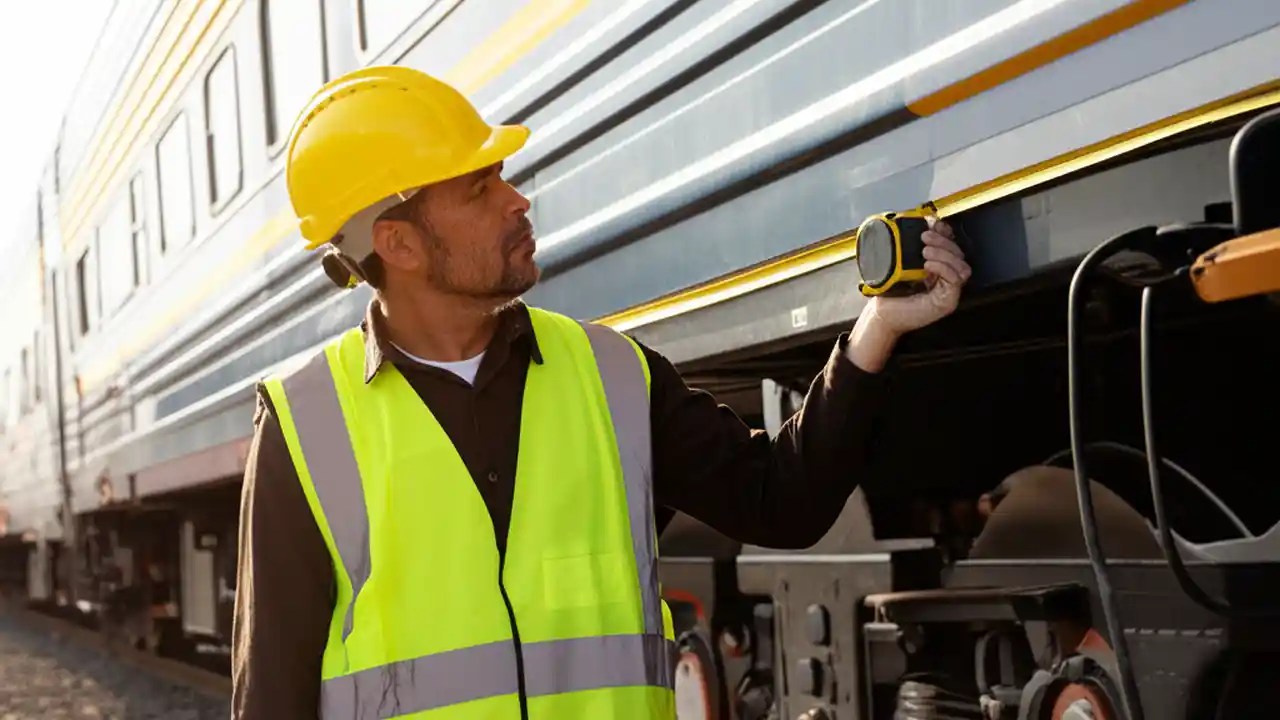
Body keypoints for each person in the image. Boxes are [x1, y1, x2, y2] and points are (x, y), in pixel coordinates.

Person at [230, 66, 972, 719]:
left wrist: (877, 331)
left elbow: (783, 500)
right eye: (480, 187)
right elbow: (272, 695)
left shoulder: (610, 374)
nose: (518, 201)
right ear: (400, 244)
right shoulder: (306, 423)